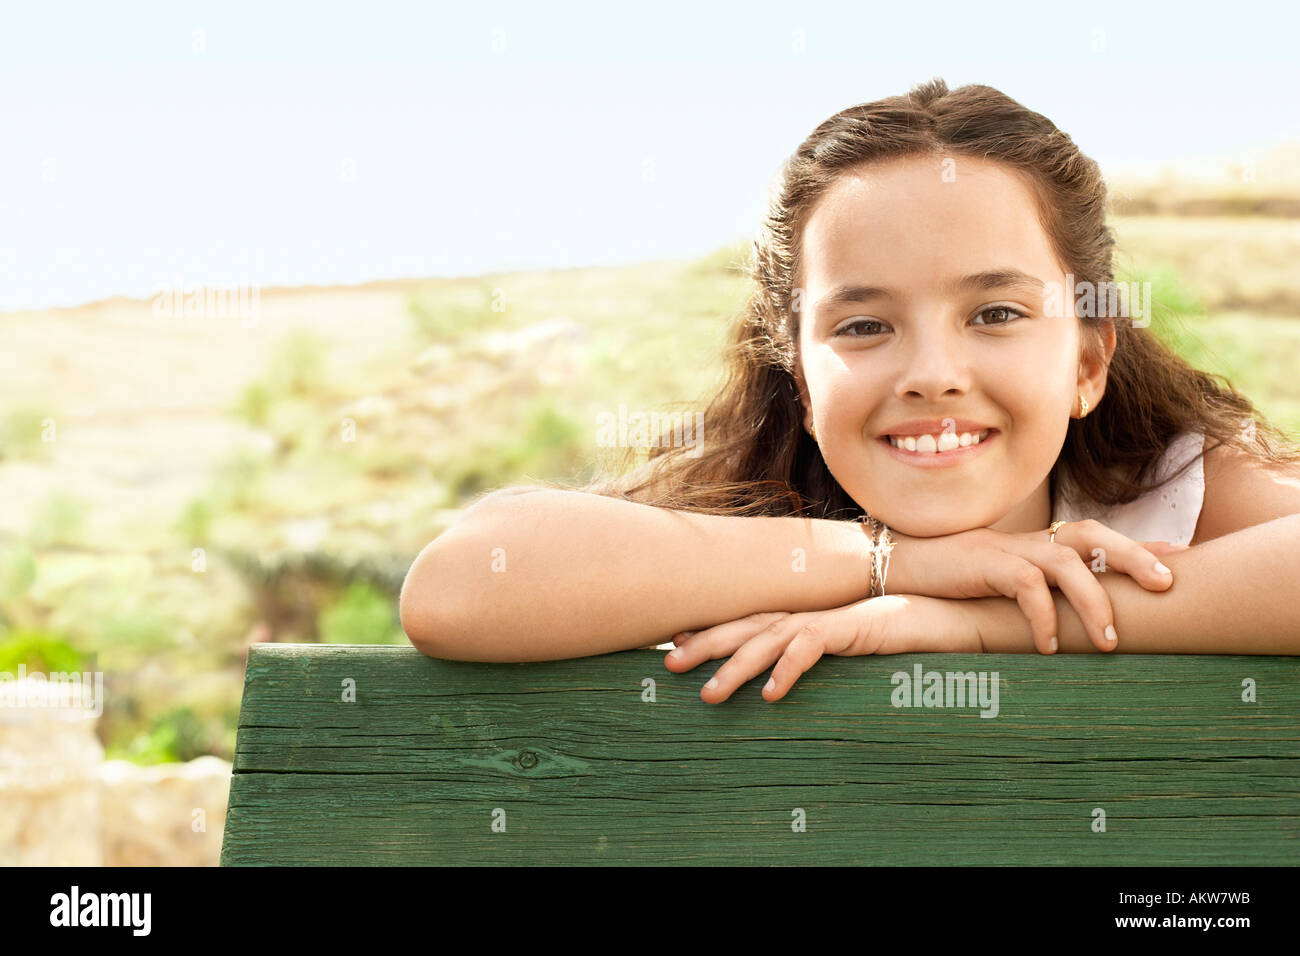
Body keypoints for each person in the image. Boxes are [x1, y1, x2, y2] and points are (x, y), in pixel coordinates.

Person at [400, 78, 1300, 702]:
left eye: (995, 313)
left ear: (1087, 364)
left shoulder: (1169, 493)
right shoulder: (745, 518)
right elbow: (458, 587)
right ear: (795, 370)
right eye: (863, 326)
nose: (932, 374)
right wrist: (890, 562)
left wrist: (984, 624)